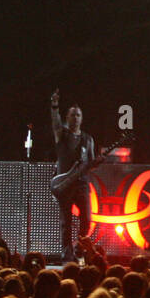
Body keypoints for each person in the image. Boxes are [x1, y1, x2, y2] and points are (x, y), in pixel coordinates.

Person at [51, 91, 95, 262]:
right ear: (67, 117)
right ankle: (66, 253)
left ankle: (79, 247)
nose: (75, 118)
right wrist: (54, 106)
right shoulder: (62, 134)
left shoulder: (88, 139)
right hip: (65, 183)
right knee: (66, 221)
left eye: (78, 115)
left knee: (87, 218)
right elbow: (55, 123)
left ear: (82, 118)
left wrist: (97, 161)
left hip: (82, 183)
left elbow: (90, 162)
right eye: (72, 115)